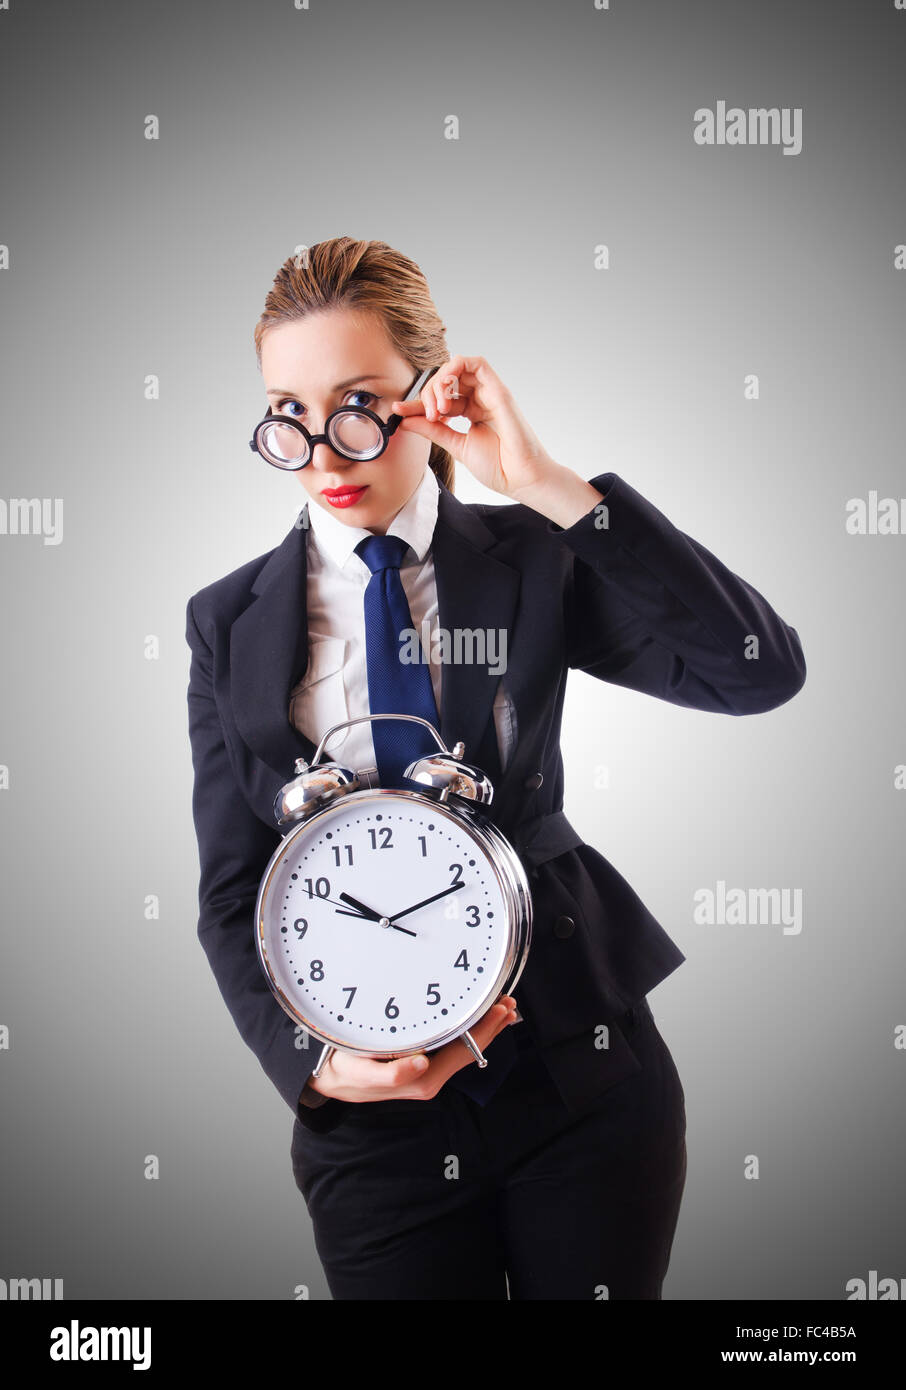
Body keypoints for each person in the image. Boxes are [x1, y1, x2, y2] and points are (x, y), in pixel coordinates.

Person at [185, 235, 806, 1300]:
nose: (325, 455)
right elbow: (234, 884)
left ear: (427, 396)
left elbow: (754, 671)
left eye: (357, 403)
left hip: (578, 1069)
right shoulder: (226, 620)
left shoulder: (536, 555)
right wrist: (314, 1066)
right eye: (288, 412)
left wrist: (547, 482)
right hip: (373, 1121)